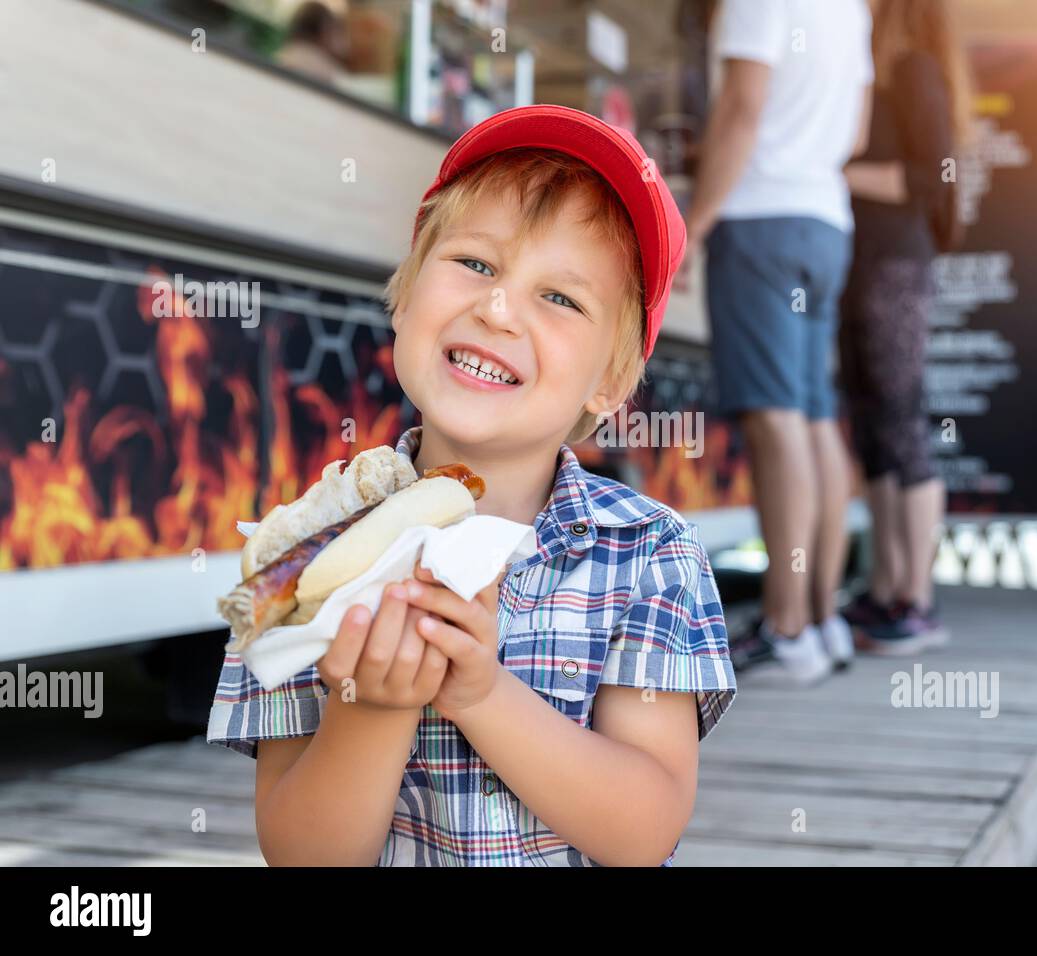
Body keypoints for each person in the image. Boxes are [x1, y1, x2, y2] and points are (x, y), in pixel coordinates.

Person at [208, 106, 737, 866]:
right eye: (476, 264)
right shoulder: (299, 559)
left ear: (612, 382)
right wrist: (374, 711)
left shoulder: (648, 554)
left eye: (560, 298)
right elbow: (300, 854)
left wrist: (481, 695)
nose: (496, 309)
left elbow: (644, 830)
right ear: (406, 290)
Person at [682, 0, 874, 684]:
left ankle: (786, 623)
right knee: (814, 416)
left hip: (759, 214)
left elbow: (741, 105)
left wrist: (694, 224)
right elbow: (855, 132)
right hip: (825, 220)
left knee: (776, 418)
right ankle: (822, 619)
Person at [837, 0, 971, 654]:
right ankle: (889, 587)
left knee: (900, 419)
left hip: (895, 264)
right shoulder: (878, 77)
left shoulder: (915, 70)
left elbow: (931, 175)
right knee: (873, 430)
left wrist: (836, 171)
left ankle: (918, 600)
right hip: (861, 263)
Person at [276, 1, 348, 85]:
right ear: (325, 31)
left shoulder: (286, 54)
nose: (345, 41)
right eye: (338, 31)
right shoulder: (328, 70)